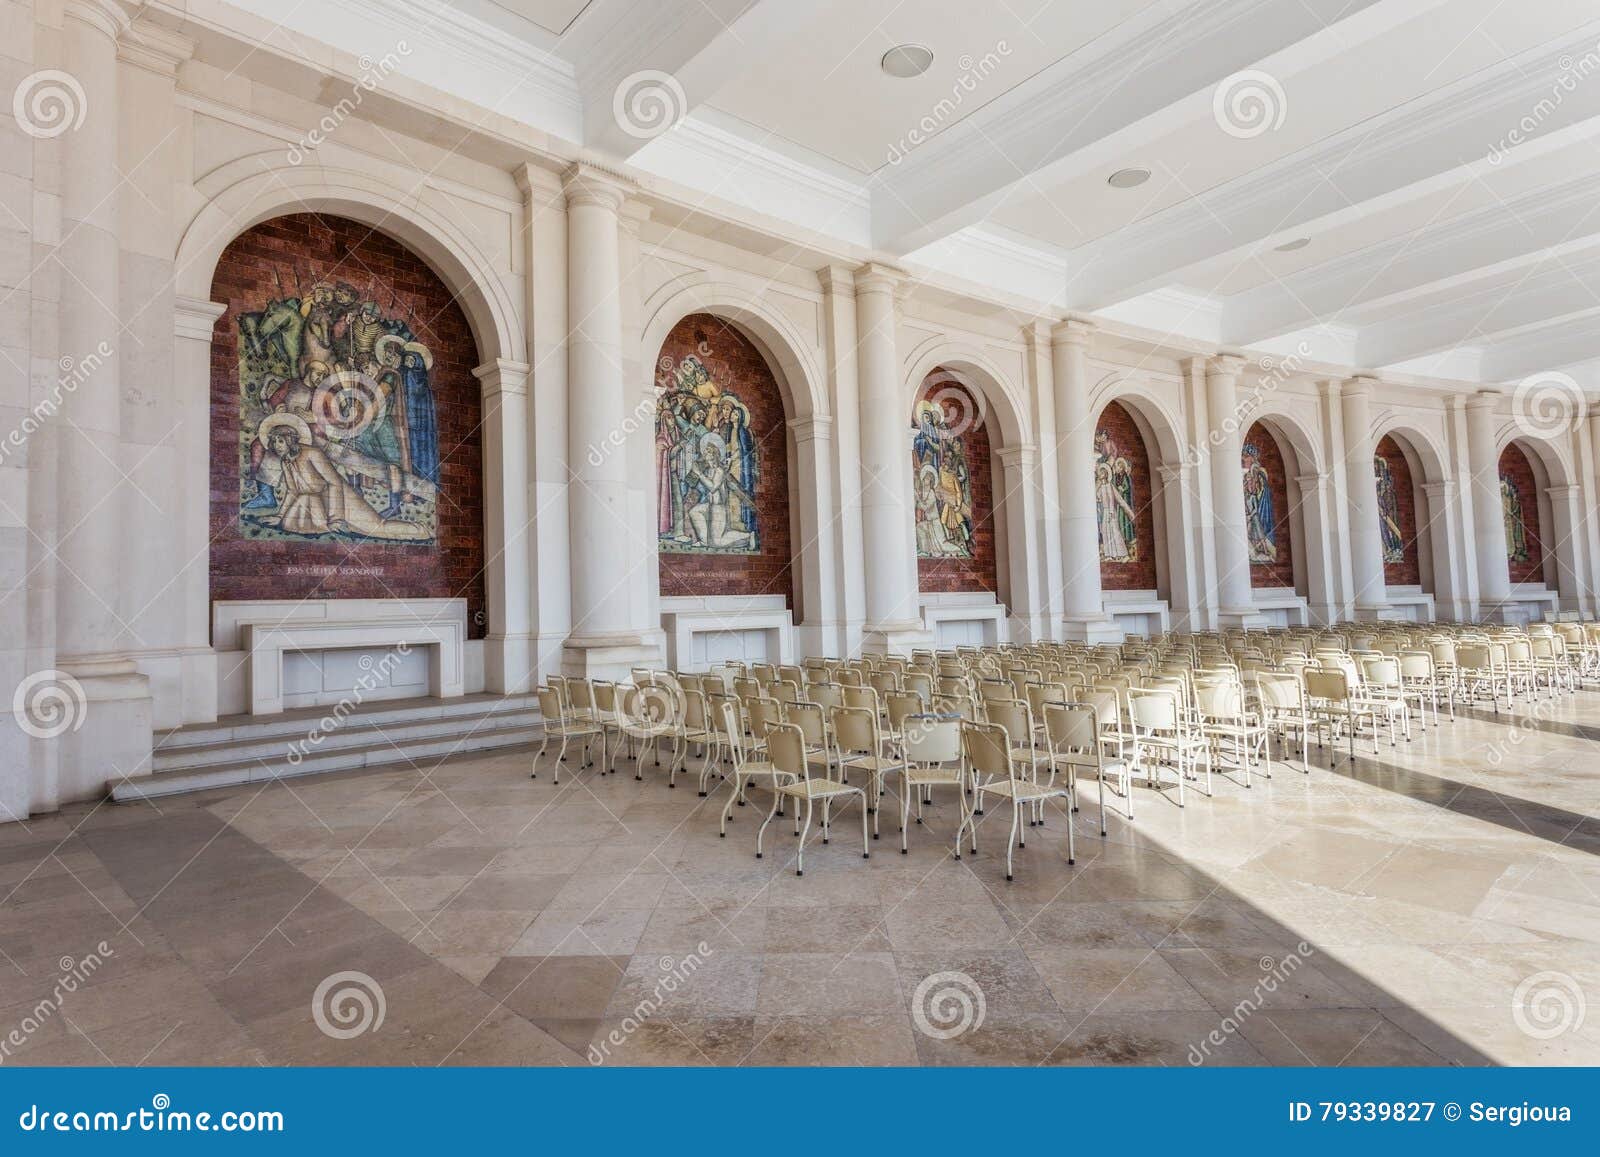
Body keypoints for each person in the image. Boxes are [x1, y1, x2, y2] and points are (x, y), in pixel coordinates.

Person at [254, 416, 428, 542]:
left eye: (281, 441)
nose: (277, 446)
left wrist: (336, 518)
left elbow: (335, 482)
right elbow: (293, 490)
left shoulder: (312, 453)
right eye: (275, 442)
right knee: (289, 523)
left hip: (342, 500)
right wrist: (279, 515)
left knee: (376, 528)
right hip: (315, 504)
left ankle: (421, 530)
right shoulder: (286, 461)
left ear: (290, 440)